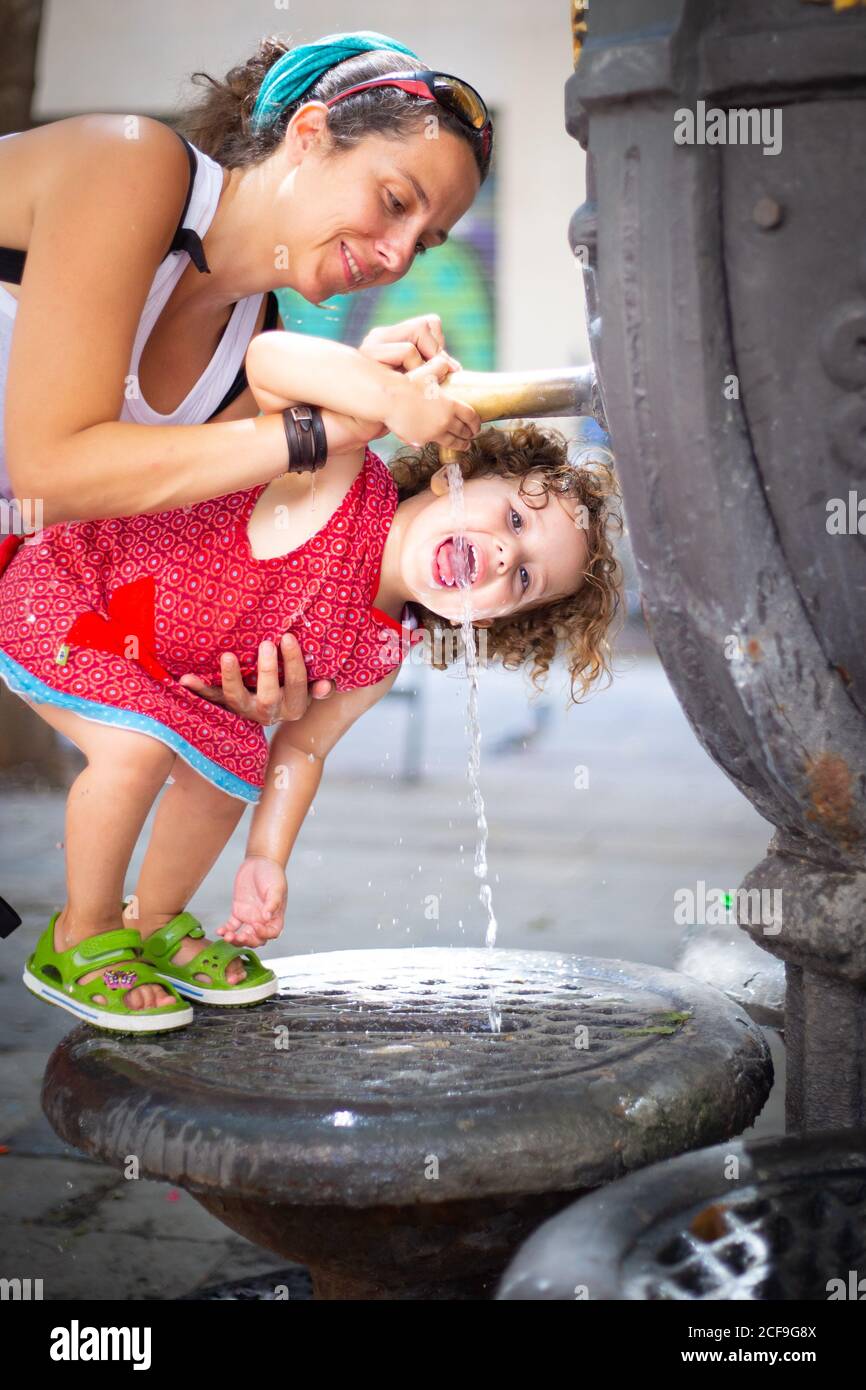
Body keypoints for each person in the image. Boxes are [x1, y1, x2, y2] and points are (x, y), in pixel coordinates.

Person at [0, 334, 622, 1032]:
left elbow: (298, 752)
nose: (507, 554)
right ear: (455, 470)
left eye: (526, 579)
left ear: (504, 619)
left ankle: (156, 922)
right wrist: (390, 398)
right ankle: (79, 935)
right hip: (76, 589)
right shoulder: (339, 470)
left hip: (157, 679)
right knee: (137, 752)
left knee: (232, 760)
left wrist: (266, 858)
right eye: (513, 518)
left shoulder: (381, 649)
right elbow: (267, 359)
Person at [0, 29, 490, 725]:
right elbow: (49, 472)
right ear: (310, 134)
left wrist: (252, 679)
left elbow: (106, 555)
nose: (398, 254)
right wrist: (312, 430)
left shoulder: (252, 359)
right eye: (395, 200)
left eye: (426, 241)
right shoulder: (131, 166)